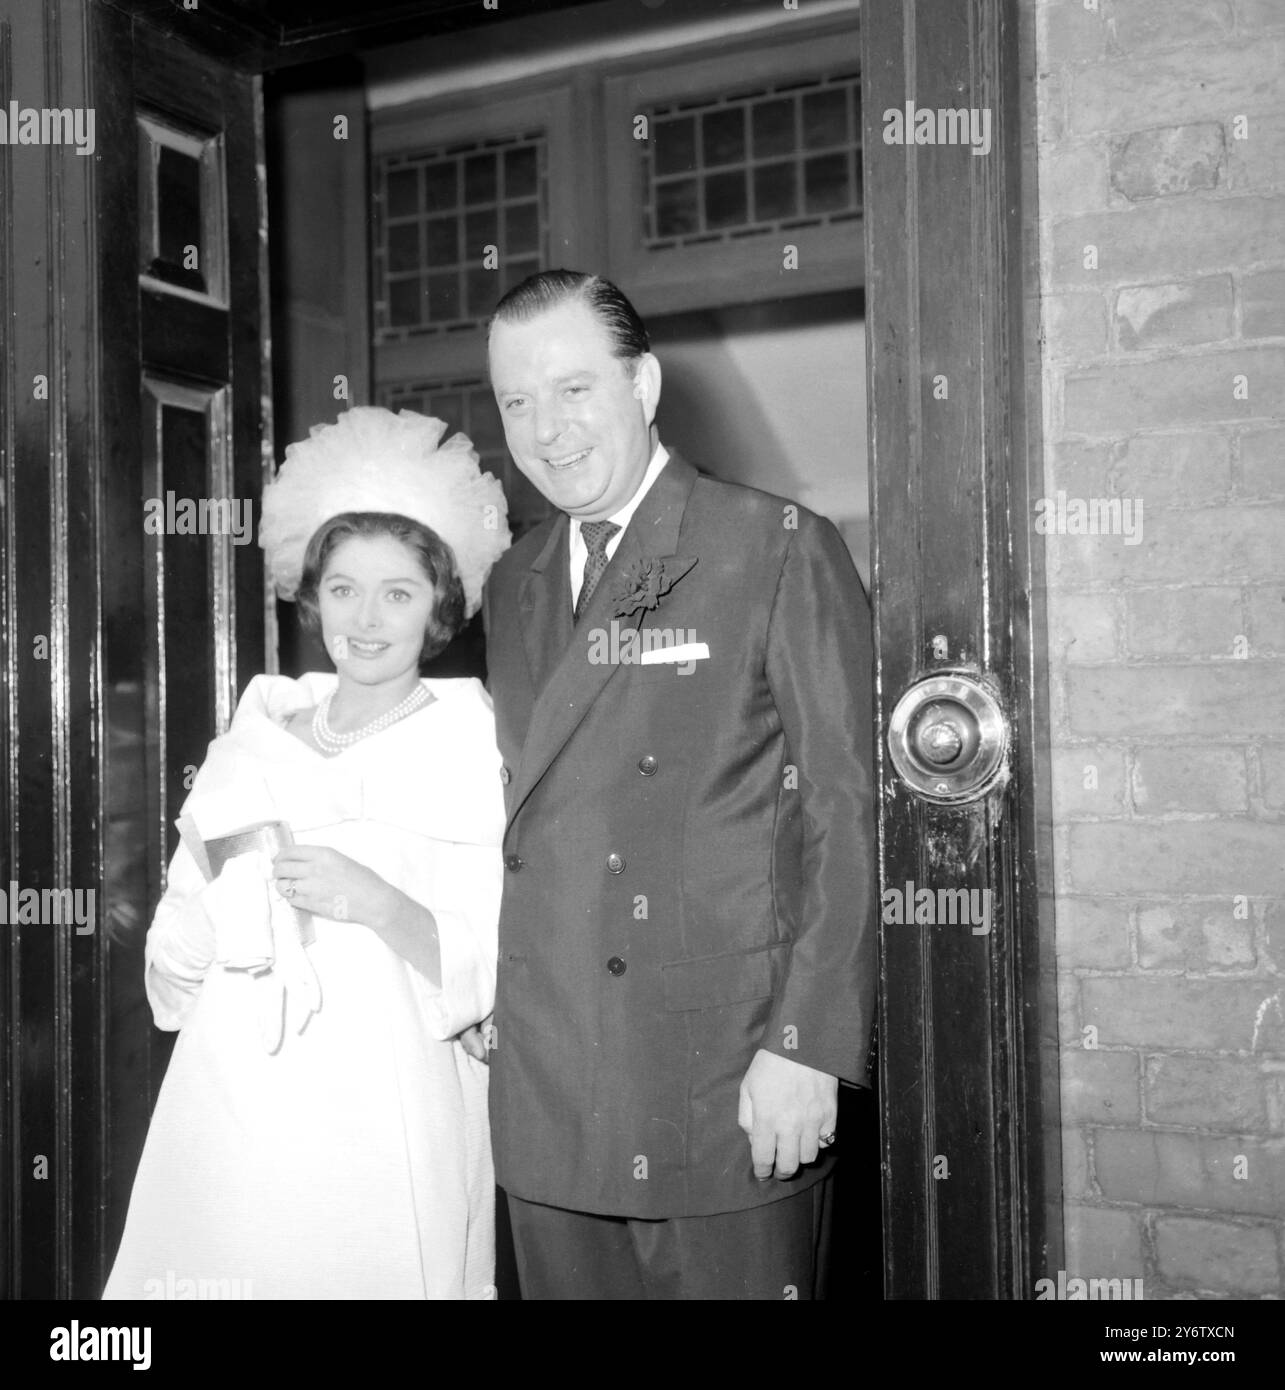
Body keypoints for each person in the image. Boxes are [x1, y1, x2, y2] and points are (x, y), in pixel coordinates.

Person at [481, 270, 877, 1299]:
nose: (545, 430)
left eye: (573, 389)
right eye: (516, 401)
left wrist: (808, 1047)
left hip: (723, 1078)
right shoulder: (512, 579)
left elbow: (849, 812)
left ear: (644, 385)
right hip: (549, 1082)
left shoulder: (772, 544)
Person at [103, 408, 510, 1300]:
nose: (365, 619)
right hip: (237, 1099)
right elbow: (169, 980)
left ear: (440, 605)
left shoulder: (474, 748)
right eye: (343, 588)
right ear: (312, 594)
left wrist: (377, 901)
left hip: (388, 1112)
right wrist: (211, 914)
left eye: (398, 593)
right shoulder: (251, 742)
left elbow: (496, 969)